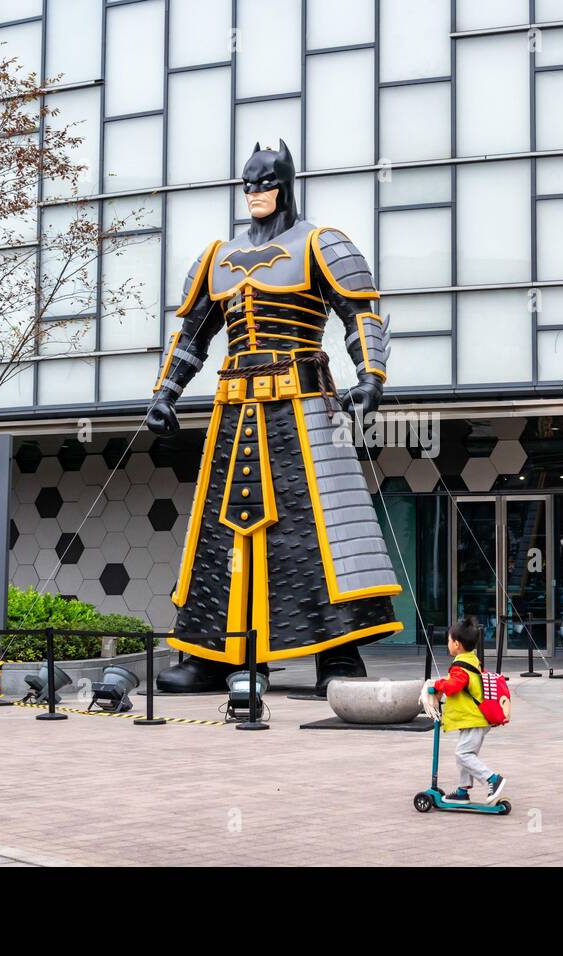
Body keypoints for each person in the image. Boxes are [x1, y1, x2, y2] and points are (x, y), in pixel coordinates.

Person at [144, 140, 402, 695]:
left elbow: (360, 313)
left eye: (263, 182)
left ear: (283, 184)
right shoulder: (218, 256)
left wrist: (371, 380)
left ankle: (336, 654)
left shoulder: (320, 243)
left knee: (315, 533)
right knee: (218, 536)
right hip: (234, 409)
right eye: (248, 183)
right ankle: (217, 654)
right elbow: (194, 334)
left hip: (303, 406)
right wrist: (165, 392)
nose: (254, 192)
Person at [428, 618, 506, 804]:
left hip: (474, 719)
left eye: (448, 640)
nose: (447, 644)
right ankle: (462, 791)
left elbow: (454, 685)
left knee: (463, 754)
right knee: (465, 754)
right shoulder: (472, 660)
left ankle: (492, 779)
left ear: (456, 644)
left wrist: (437, 684)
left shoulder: (460, 667)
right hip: (473, 719)